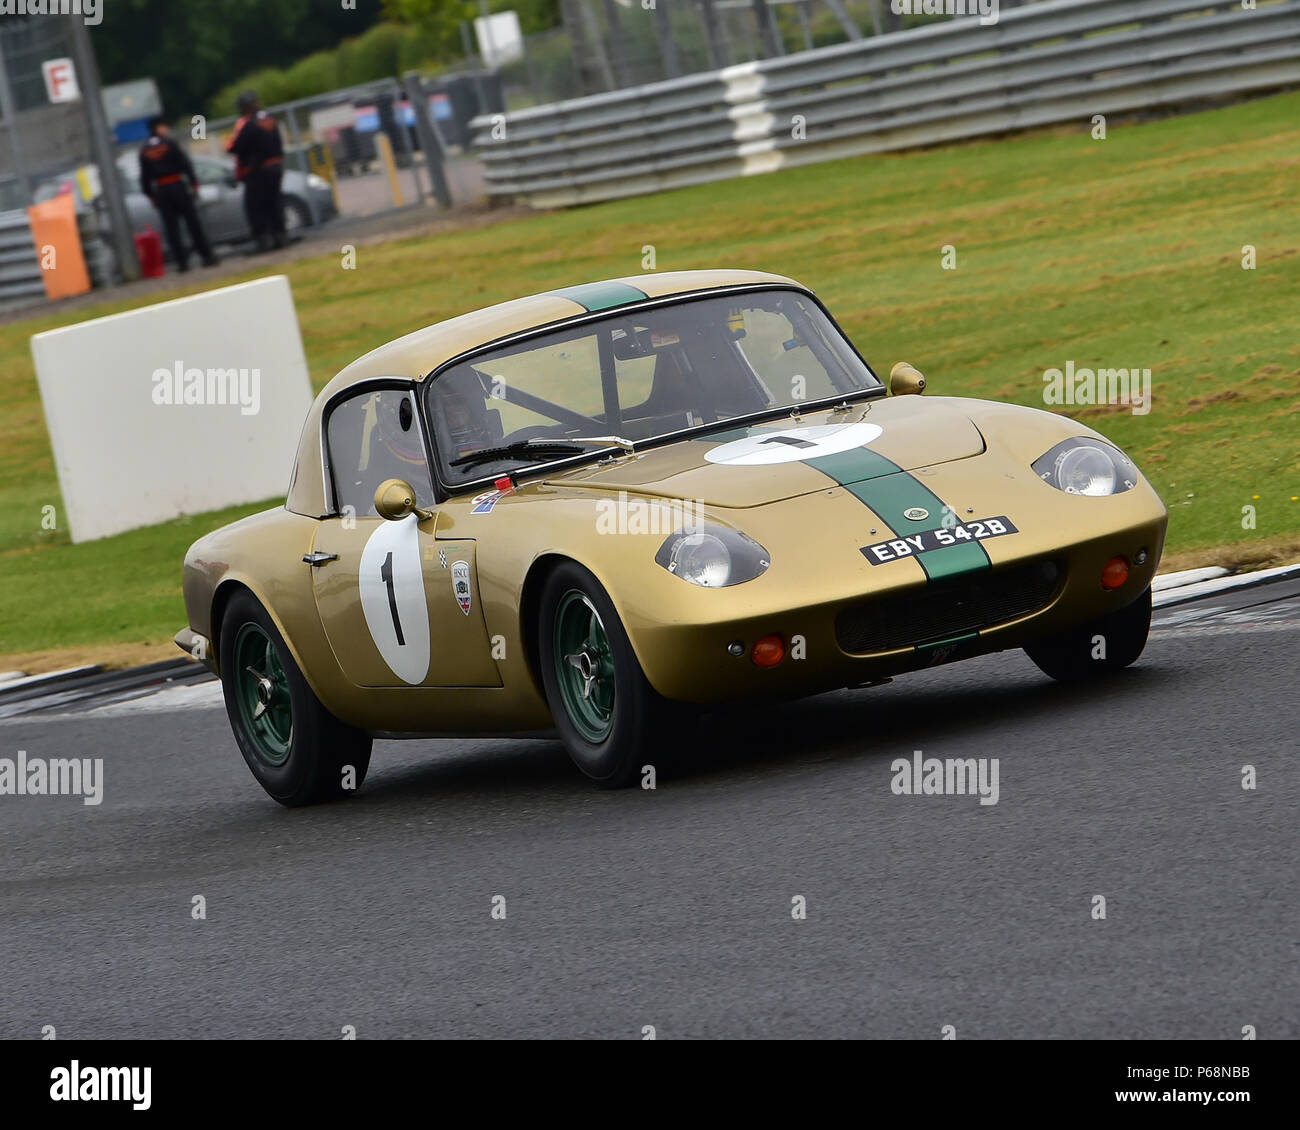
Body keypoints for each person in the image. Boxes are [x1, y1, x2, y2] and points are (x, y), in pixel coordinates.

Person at [137, 116, 218, 271]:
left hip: (162, 190)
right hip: (177, 186)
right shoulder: (170, 143)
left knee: (171, 228)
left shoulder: (145, 150)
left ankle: (182, 262)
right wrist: (194, 184)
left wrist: (151, 195)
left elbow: (144, 177)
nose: (166, 129)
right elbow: (185, 164)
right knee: (193, 223)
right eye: (164, 126)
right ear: (157, 128)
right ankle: (206, 256)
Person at [227, 91, 286, 252]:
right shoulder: (270, 118)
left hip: (259, 170)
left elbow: (236, 147)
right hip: (276, 166)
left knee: (255, 206)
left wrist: (229, 145)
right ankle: (280, 236)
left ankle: (264, 240)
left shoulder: (249, 124)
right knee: (275, 203)